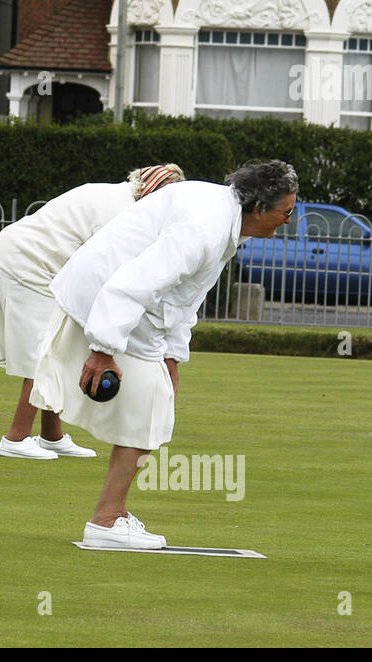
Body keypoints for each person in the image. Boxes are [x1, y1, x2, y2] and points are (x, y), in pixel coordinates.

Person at [30, 160, 299, 549]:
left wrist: (172, 357)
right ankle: (106, 521)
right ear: (258, 207)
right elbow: (137, 282)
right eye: (286, 211)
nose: (288, 220)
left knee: (156, 403)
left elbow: (184, 295)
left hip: (115, 301)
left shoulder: (222, 217)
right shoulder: (204, 230)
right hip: (107, 298)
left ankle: (112, 515)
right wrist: (103, 350)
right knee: (153, 409)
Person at [0, 165, 184, 460]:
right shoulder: (120, 211)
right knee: (43, 354)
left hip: (38, 267)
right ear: (152, 191)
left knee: (57, 350)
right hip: (26, 266)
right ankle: (16, 438)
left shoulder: (121, 199)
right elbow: (107, 273)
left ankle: (51, 437)